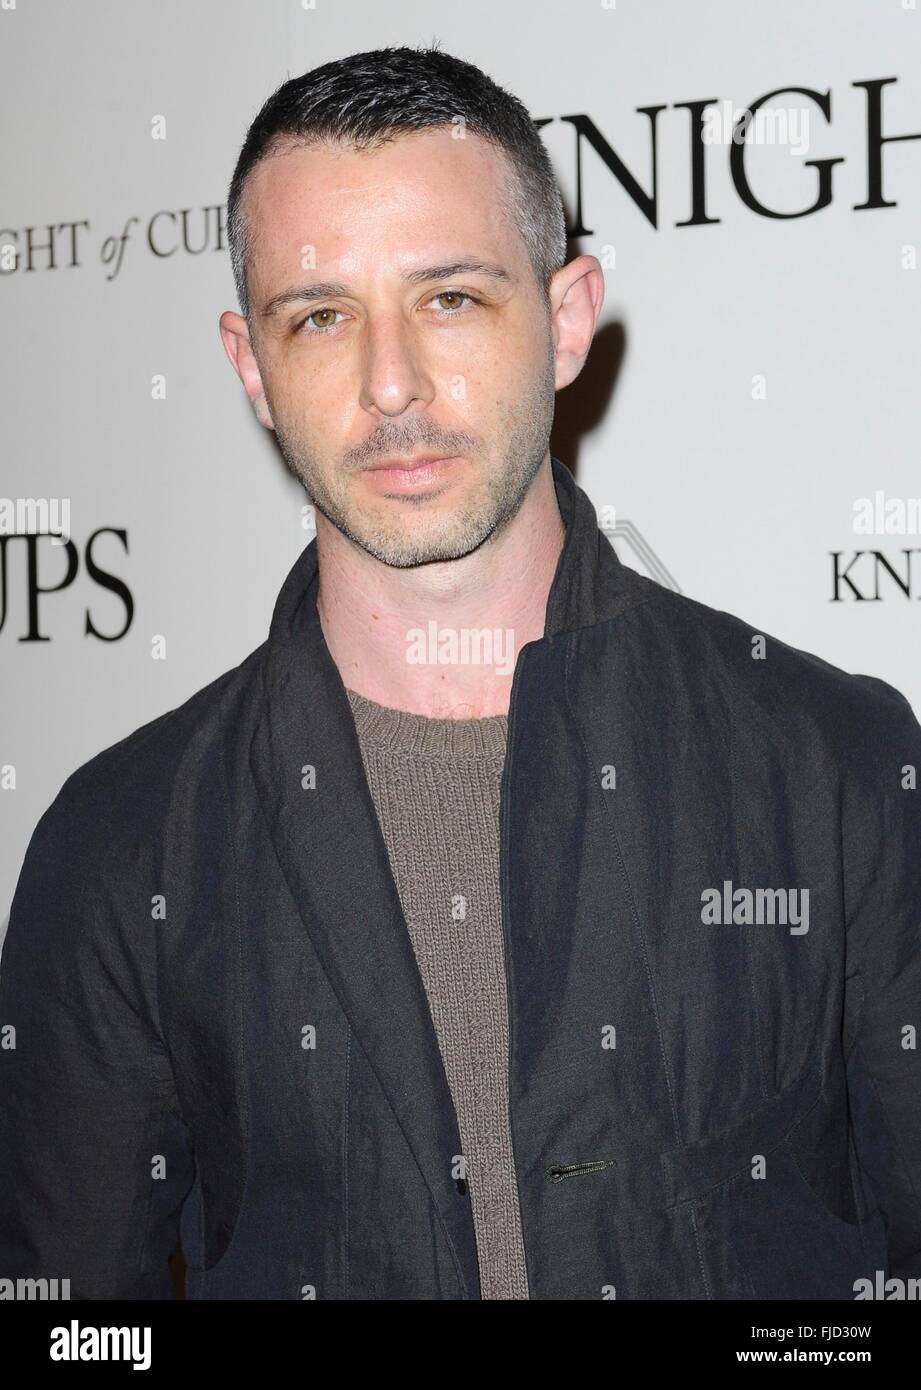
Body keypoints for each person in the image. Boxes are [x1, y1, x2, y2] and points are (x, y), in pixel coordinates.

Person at [1, 44, 919, 1302]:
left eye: (452, 298)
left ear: (567, 319)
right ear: (250, 368)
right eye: (320, 315)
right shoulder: (120, 844)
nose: (391, 385)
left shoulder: (839, 770)